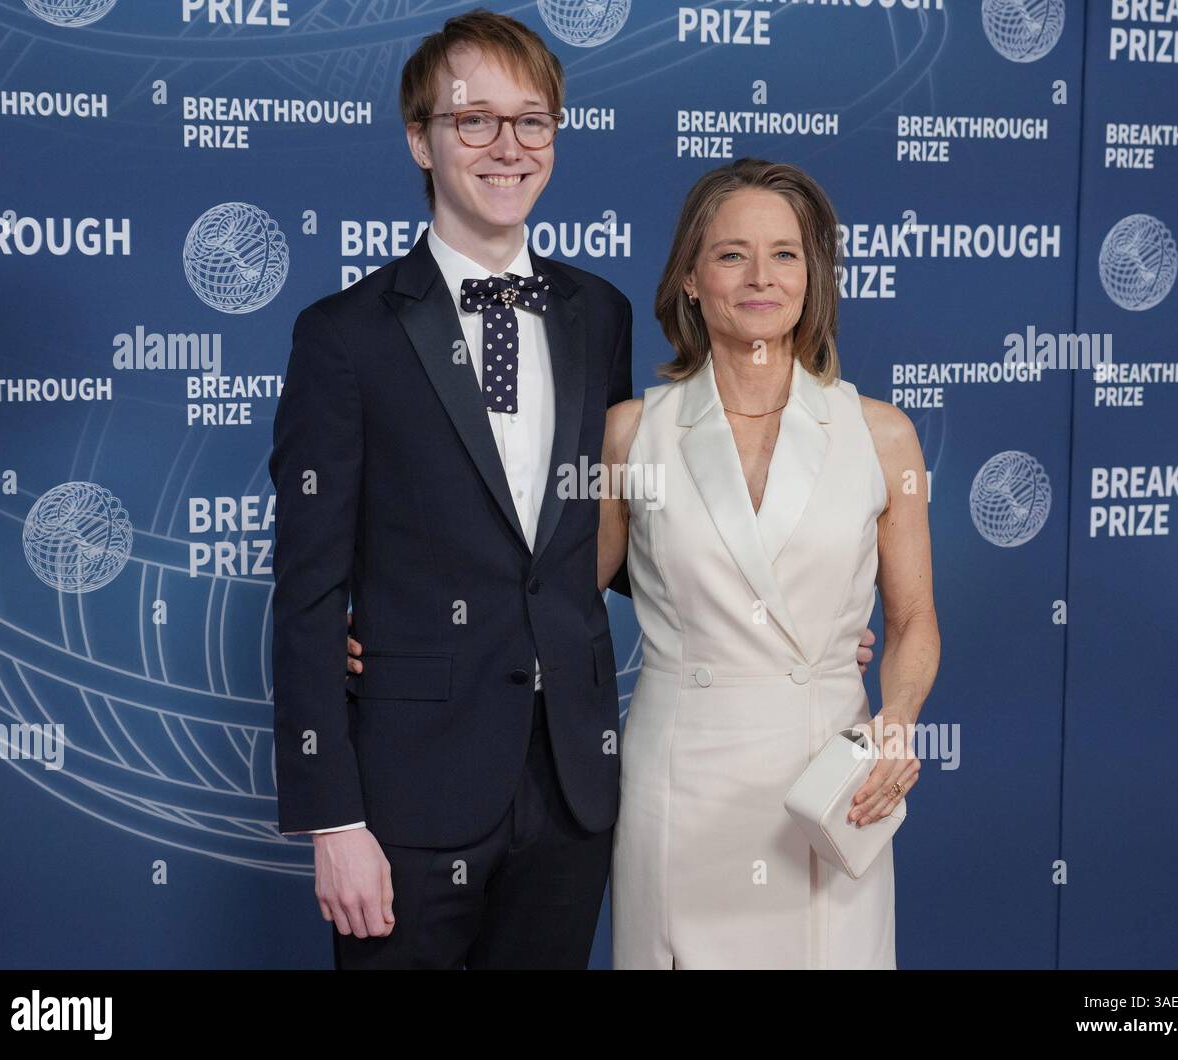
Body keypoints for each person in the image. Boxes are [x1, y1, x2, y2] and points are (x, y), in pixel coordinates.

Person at [269, 10, 634, 969]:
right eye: (474, 121)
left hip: (572, 788)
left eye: (533, 120)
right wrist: (332, 818)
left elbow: (614, 529)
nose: (507, 147)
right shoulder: (342, 336)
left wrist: (792, 613)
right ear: (420, 140)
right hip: (405, 797)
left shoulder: (602, 313)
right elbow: (308, 593)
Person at [595, 159, 940, 969]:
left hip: (828, 780)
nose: (761, 277)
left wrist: (898, 722)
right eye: (731, 254)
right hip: (680, 779)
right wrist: (405, 628)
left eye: (785, 254)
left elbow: (915, 619)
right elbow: (554, 606)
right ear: (688, 275)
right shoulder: (630, 434)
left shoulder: (882, 434)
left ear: (812, 276)